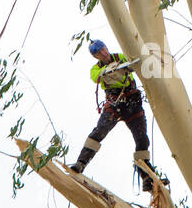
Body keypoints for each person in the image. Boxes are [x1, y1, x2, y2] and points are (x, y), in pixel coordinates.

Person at [68, 40, 163, 191]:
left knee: (142, 139)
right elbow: (96, 77)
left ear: (107, 47)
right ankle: (81, 162)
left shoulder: (121, 56)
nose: (103, 53)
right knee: (100, 131)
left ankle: (146, 177)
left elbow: (134, 64)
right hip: (115, 104)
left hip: (132, 103)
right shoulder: (95, 69)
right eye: (99, 53)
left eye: (104, 49)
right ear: (95, 56)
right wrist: (110, 70)